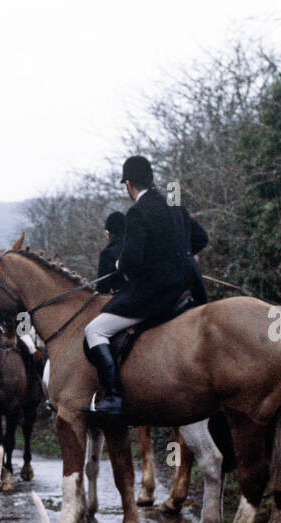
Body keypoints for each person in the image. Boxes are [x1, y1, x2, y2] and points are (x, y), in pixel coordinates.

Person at [81, 156, 208, 417]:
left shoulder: (138, 212)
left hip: (158, 292)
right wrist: (174, 258)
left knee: (95, 330)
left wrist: (119, 265)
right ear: (151, 178)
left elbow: (132, 262)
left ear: (128, 183)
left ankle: (115, 398)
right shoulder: (173, 202)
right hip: (189, 288)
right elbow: (200, 238)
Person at [95, 212, 126, 294]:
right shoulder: (139, 246)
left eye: (107, 232)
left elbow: (102, 289)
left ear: (111, 233)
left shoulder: (108, 254)